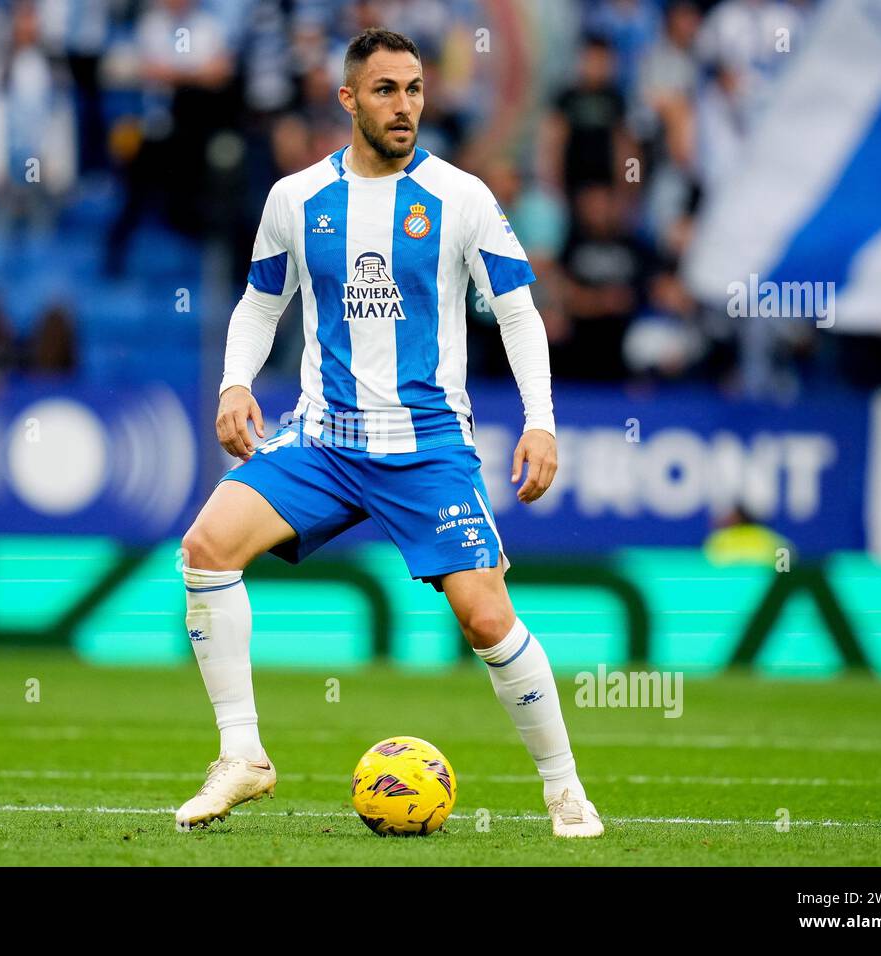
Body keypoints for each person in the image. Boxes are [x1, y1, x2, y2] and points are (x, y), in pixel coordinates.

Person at [174, 28, 603, 838]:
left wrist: (542, 424)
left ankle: (564, 788)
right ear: (348, 99)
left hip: (428, 446)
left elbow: (517, 311)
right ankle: (243, 756)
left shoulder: (462, 197)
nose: (404, 105)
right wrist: (235, 382)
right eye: (385, 90)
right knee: (205, 549)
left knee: (485, 617)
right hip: (323, 438)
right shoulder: (295, 199)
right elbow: (261, 303)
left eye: (413, 89)